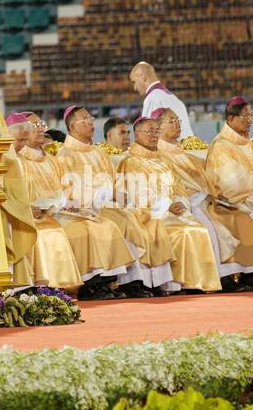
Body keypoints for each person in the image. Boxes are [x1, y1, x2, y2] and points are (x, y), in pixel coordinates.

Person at [55, 105, 174, 297]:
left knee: (134, 218)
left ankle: (134, 281)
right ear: (72, 127)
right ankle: (99, 283)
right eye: (86, 121)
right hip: (84, 209)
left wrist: (120, 192)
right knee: (115, 224)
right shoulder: (64, 156)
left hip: (108, 204)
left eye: (92, 119)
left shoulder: (99, 153)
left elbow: (116, 179)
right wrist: (102, 194)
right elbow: (69, 190)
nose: (91, 124)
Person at [17, 114, 130, 297]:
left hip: (58, 210)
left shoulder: (52, 160)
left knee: (103, 224)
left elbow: (66, 189)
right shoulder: (19, 161)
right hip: (38, 216)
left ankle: (102, 282)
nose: (40, 129)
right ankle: (84, 285)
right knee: (84, 229)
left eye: (41, 124)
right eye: (34, 125)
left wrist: (68, 202)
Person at [116, 119, 220, 293]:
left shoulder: (164, 160)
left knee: (198, 228)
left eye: (156, 131)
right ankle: (177, 282)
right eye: (148, 131)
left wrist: (181, 201)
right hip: (150, 213)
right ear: (137, 134)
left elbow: (178, 186)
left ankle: (195, 282)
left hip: (172, 209)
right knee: (183, 232)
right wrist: (166, 206)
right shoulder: (130, 161)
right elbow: (138, 194)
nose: (153, 135)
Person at [154, 108, 246, 289]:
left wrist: (216, 193)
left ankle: (238, 274)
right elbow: (173, 185)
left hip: (204, 198)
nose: (177, 124)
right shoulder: (159, 154)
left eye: (178, 120)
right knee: (213, 227)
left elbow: (204, 179)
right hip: (189, 202)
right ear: (158, 127)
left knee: (240, 216)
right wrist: (202, 197)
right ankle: (221, 278)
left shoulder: (182, 152)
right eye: (171, 121)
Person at [5, 114, 81, 292]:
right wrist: (26, 209)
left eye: (24, 139)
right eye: (20, 140)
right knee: (43, 232)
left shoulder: (24, 159)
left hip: (40, 213)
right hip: (13, 215)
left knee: (52, 229)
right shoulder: (5, 158)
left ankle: (50, 285)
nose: (22, 144)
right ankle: (33, 285)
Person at [203, 98, 253, 287]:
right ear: (231, 118)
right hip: (228, 202)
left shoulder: (247, 142)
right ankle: (245, 273)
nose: (249, 120)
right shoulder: (221, 146)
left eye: (251, 115)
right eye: (245, 116)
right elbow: (230, 184)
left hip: (247, 196)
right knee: (244, 218)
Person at [129, 61, 193, 139]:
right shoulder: (170, 96)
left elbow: (147, 134)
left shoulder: (153, 98)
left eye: (134, 82)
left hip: (172, 149)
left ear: (143, 78)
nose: (134, 88)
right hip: (188, 147)